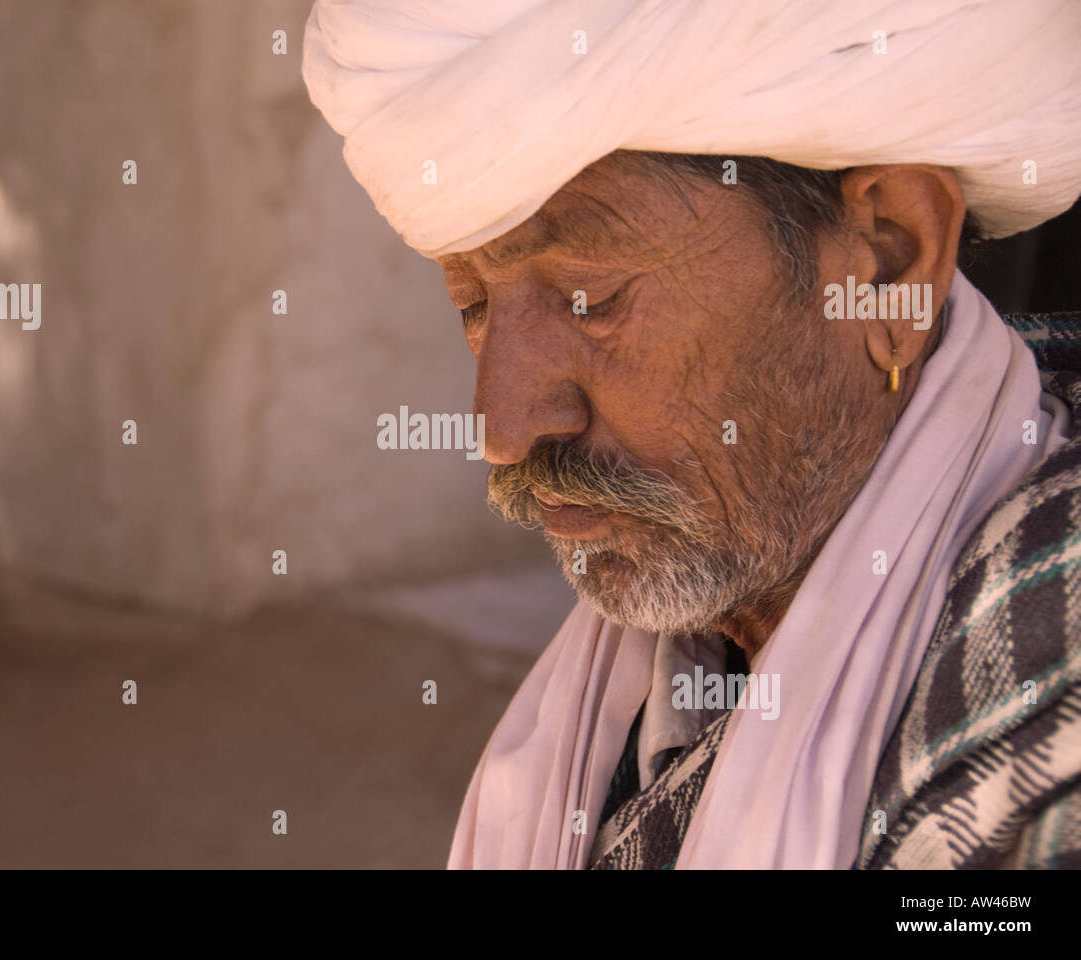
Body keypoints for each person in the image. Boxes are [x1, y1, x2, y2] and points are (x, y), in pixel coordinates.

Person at [302, 0, 1081, 868]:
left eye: (589, 297)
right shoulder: (688, 634)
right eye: (472, 304)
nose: (502, 428)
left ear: (890, 259)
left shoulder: (1048, 736)